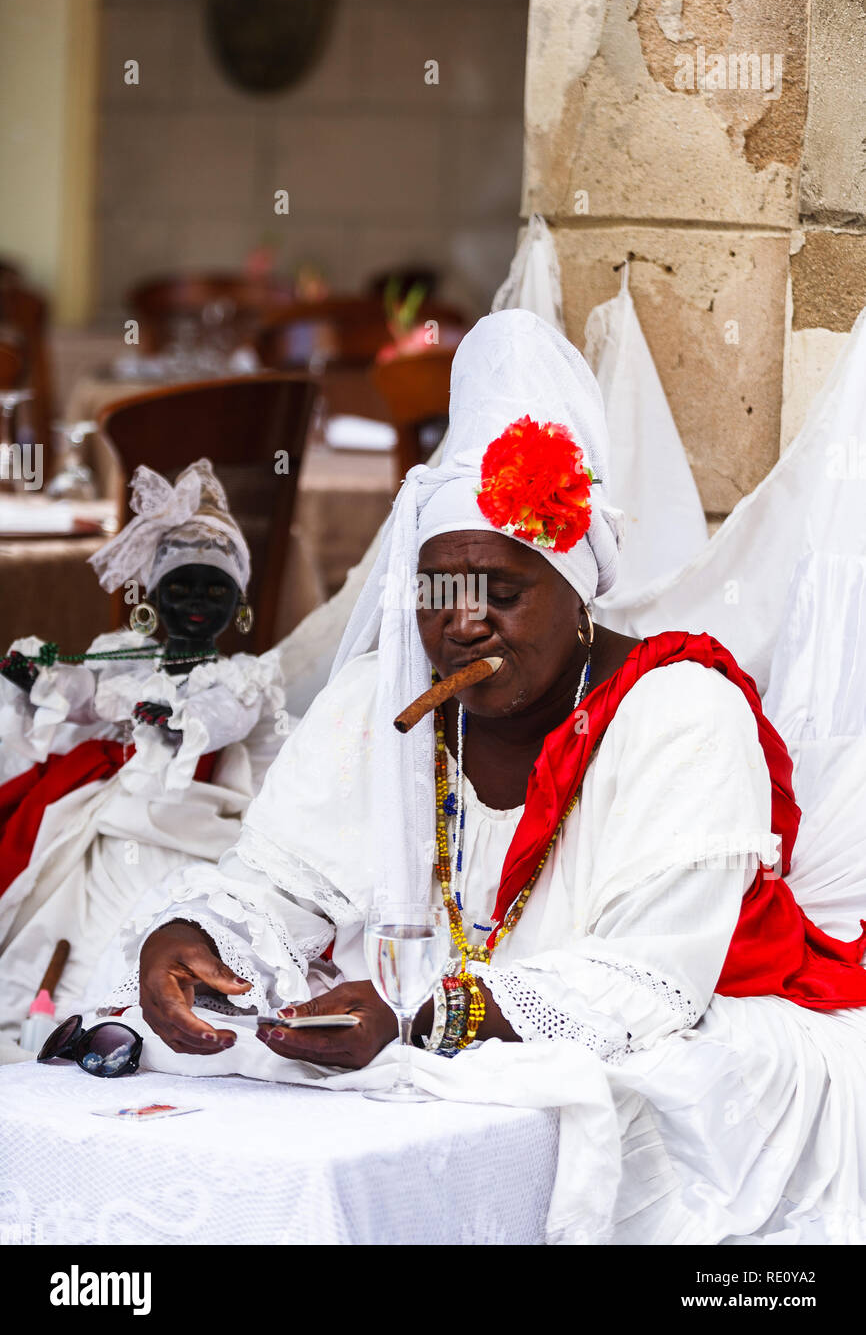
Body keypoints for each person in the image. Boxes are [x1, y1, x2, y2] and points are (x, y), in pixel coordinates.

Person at [108, 312, 866, 1243]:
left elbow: (652, 979)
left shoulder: (678, 712)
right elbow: (281, 882)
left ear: (575, 593)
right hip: (429, 1032)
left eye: (502, 593)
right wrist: (196, 934)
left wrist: (432, 1016)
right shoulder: (381, 701)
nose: (462, 626)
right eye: (438, 594)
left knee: (618, 1118)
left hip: (670, 1046)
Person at [0, 459, 287, 1041]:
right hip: (107, 823)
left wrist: (179, 720)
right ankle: (53, 1019)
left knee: (150, 930)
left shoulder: (243, 678)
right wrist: (43, 681)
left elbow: (223, 719)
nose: (196, 603)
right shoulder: (126, 655)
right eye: (179, 588)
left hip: (183, 831)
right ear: (154, 595)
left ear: (239, 602)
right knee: (62, 927)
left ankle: (126, 1022)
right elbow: (86, 694)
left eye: (215, 589)